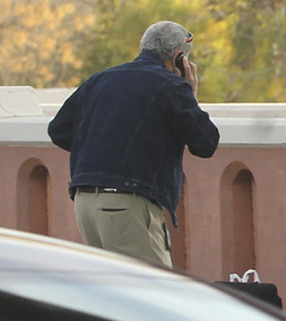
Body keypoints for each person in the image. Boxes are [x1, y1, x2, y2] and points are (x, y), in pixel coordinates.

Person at [48, 21, 219, 268]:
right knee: (153, 292)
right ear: (179, 57)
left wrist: (104, 146)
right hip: (128, 206)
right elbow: (205, 143)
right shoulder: (171, 86)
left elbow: (58, 130)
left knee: (112, 294)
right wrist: (190, 96)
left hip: (85, 203)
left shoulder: (99, 80)